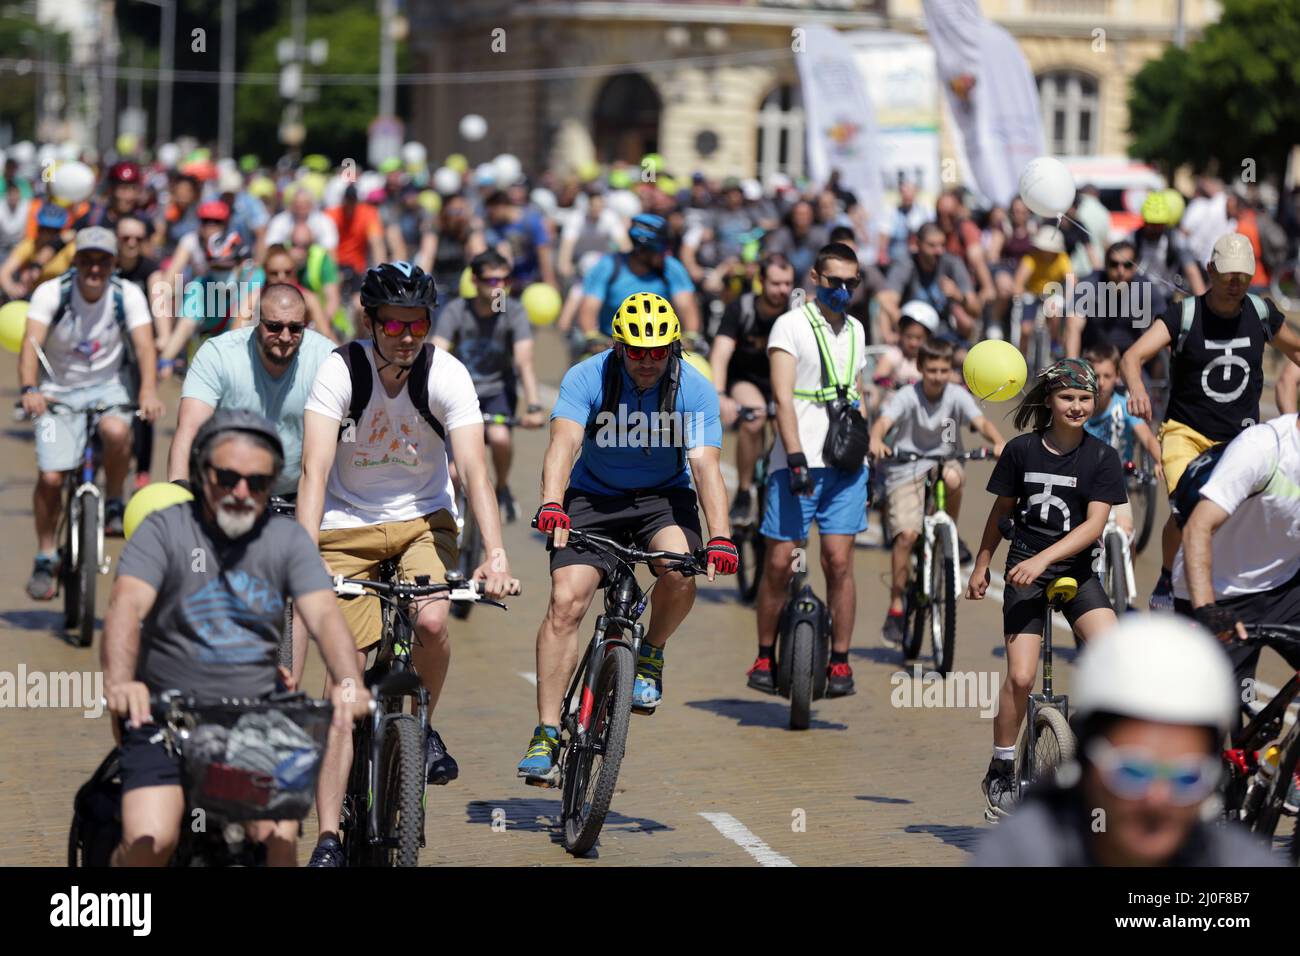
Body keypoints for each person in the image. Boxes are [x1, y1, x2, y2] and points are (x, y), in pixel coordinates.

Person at [296, 261, 517, 866]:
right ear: (371, 321)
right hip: (347, 528)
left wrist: (494, 555)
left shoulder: (445, 373)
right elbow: (314, 471)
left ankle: (422, 724)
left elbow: (474, 471)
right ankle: (327, 838)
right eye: (392, 322)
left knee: (432, 622)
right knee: (345, 686)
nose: (405, 334)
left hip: (424, 522)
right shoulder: (340, 371)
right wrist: (300, 552)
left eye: (416, 321)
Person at [102, 410, 371, 867]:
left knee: (278, 839)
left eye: (258, 482)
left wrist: (349, 681)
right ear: (203, 473)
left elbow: (325, 616)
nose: (242, 492)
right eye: (227, 478)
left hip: (254, 719)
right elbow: (126, 607)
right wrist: (122, 681)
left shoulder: (286, 540)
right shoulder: (165, 530)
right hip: (166, 715)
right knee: (152, 839)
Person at [517, 292, 734, 783]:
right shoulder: (586, 376)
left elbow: (705, 467)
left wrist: (720, 536)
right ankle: (547, 733)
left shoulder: (694, 389)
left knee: (679, 571)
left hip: (662, 500)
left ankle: (651, 653)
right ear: (619, 347)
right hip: (593, 499)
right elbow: (563, 443)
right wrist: (552, 503)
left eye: (659, 351)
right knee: (566, 601)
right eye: (637, 351)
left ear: (674, 349)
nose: (648, 362)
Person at [973, 615, 1278, 866]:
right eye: (1132, 771)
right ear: (1087, 765)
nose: (1157, 799)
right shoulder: (1022, 854)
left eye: (1187, 778)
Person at [966, 358, 1126, 820]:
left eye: (1084, 398)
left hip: (1076, 573)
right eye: (1067, 397)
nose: (1076, 406)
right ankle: (1000, 767)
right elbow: (1001, 513)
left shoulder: (1102, 457)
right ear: (1049, 401)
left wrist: (1047, 559)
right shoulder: (1021, 451)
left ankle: (1075, 732)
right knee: (1020, 676)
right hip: (1023, 573)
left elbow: (1094, 525)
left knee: (1117, 657)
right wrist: (982, 565)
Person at [167, 284, 337, 683]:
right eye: (274, 326)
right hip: (230, 494)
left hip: (301, 495)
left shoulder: (326, 357)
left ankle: (285, 693)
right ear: (257, 324)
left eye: (295, 328)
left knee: (298, 590)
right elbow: (188, 431)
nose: (284, 338)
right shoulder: (219, 354)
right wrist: (178, 496)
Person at [1121, 233, 1300, 611]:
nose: (1236, 282)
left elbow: (1297, 349)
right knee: (1189, 508)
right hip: (1185, 433)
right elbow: (1132, 357)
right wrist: (1136, 388)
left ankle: (1234, 586)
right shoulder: (1184, 315)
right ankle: (1170, 577)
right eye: (1228, 274)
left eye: (1244, 275)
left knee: (1234, 515)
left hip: (1242, 439)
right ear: (1211, 270)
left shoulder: (1261, 313)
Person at [744, 243, 869, 698]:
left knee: (839, 561)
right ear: (815, 277)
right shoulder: (790, 326)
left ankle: (840, 661)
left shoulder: (856, 330)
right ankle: (763, 655)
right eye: (834, 281)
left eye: (851, 283)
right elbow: (782, 398)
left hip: (846, 466)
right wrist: (794, 457)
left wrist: (869, 449)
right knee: (779, 562)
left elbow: (858, 394)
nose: (842, 290)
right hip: (797, 464)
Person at [21, 228, 164, 597]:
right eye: (87, 259)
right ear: (75, 261)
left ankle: (115, 498)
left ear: (114, 263)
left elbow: (146, 347)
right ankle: (45, 554)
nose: (95, 268)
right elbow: (30, 343)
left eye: (103, 260)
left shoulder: (127, 294)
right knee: (52, 478)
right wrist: (29, 389)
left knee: (117, 431)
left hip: (107, 387)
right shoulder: (51, 292)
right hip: (56, 391)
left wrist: (147, 391)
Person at [871, 339, 1006, 645]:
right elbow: (883, 421)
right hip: (907, 466)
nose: (938, 376)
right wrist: (877, 440)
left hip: (944, 462)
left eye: (944, 370)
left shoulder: (956, 395)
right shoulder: (907, 395)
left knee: (954, 478)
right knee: (906, 536)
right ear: (920, 369)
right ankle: (895, 606)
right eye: (931, 370)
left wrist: (999, 442)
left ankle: (950, 532)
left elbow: (980, 421)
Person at [1174, 412, 1300, 693]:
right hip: (1220, 591)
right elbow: (1198, 526)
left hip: (1285, 585)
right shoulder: (1263, 448)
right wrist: (1207, 608)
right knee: (1213, 718)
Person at [431, 249, 548, 521]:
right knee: (454, 473)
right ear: (475, 281)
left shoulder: (513, 311)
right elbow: (437, 354)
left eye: (505, 280)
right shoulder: (457, 310)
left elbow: (524, 362)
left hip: (497, 391)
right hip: (459, 395)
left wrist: (533, 406)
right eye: (492, 281)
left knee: (500, 437)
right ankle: (454, 526)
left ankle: (503, 485)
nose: (500, 287)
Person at [709, 253, 796, 523]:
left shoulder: (797, 314)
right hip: (745, 381)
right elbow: (721, 353)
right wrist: (720, 395)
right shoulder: (741, 309)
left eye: (787, 284)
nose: (782, 290)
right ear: (761, 281)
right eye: (775, 283)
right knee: (755, 416)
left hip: (783, 384)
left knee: (788, 429)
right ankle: (744, 492)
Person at [1080, 343, 1164, 557]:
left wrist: (1159, 460)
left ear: (1117, 376)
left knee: (1127, 535)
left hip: (1115, 486)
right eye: (1095, 375)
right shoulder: (1078, 409)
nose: (1100, 382)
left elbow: (1146, 436)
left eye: (1107, 376)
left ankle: (1125, 589)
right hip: (1082, 486)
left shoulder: (1124, 404)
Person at [577, 213, 701, 345]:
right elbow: (589, 309)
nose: (666, 253)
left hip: (661, 348)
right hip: (613, 345)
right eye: (662, 248)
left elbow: (687, 307)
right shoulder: (608, 266)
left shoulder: (671, 268)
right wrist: (592, 338)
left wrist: (690, 337)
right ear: (642, 250)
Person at [1063, 239, 1167, 360]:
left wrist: (1138, 359)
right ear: (1106, 265)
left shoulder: (1145, 287)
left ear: (1135, 266)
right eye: (1114, 264)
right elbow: (1073, 326)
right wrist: (1073, 367)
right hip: (1093, 358)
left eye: (1127, 265)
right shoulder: (1090, 284)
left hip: (1131, 359)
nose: (1120, 271)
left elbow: (1163, 324)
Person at [877, 223, 980, 346]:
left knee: (966, 323)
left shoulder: (952, 263)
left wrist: (958, 296)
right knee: (885, 309)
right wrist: (906, 329)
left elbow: (976, 309)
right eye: (932, 245)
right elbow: (885, 299)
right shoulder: (906, 264)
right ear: (918, 244)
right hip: (911, 335)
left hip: (942, 332)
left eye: (942, 245)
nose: (939, 251)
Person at [1011, 224, 1072, 353]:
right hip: (1031, 294)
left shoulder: (1062, 259)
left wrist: (1069, 296)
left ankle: (1055, 343)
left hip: (1051, 294)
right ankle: (1022, 356)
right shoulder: (1031, 258)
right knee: (1026, 329)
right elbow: (1019, 281)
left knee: (1055, 314)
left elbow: (1072, 280)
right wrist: (1019, 294)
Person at [0, 202, 76, 300]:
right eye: (45, 229)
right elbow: (4, 272)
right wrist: (13, 289)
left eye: (54, 230)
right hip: (32, 298)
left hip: (59, 298)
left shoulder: (69, 249)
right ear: (39, 229)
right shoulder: (29, 245)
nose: (49, 235)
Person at [484, 189, 555, 292]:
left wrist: (550, 283)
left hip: (534, 280)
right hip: (512, 283)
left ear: (500, 207)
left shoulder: (530, 221)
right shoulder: (496, 229)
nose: (490, 217)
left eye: (491, 213)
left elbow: (543, 252)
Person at [265, 185, 338, 251]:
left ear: (311, 204)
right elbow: (272, 246)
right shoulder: (279, 221)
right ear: (291, 205)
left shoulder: (324, 221)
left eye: (304, 204)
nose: (301, 207)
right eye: (297, 204)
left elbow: (330, 247)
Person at [878, 180, 932, 269]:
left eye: (910, 192)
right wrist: (882, 254)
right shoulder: (891, 212)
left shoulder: (924, 211)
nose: (907, 195)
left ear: (915, 192)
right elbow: (884, 234)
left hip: (920, 258)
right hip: (897, 258)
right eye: (904, 192)